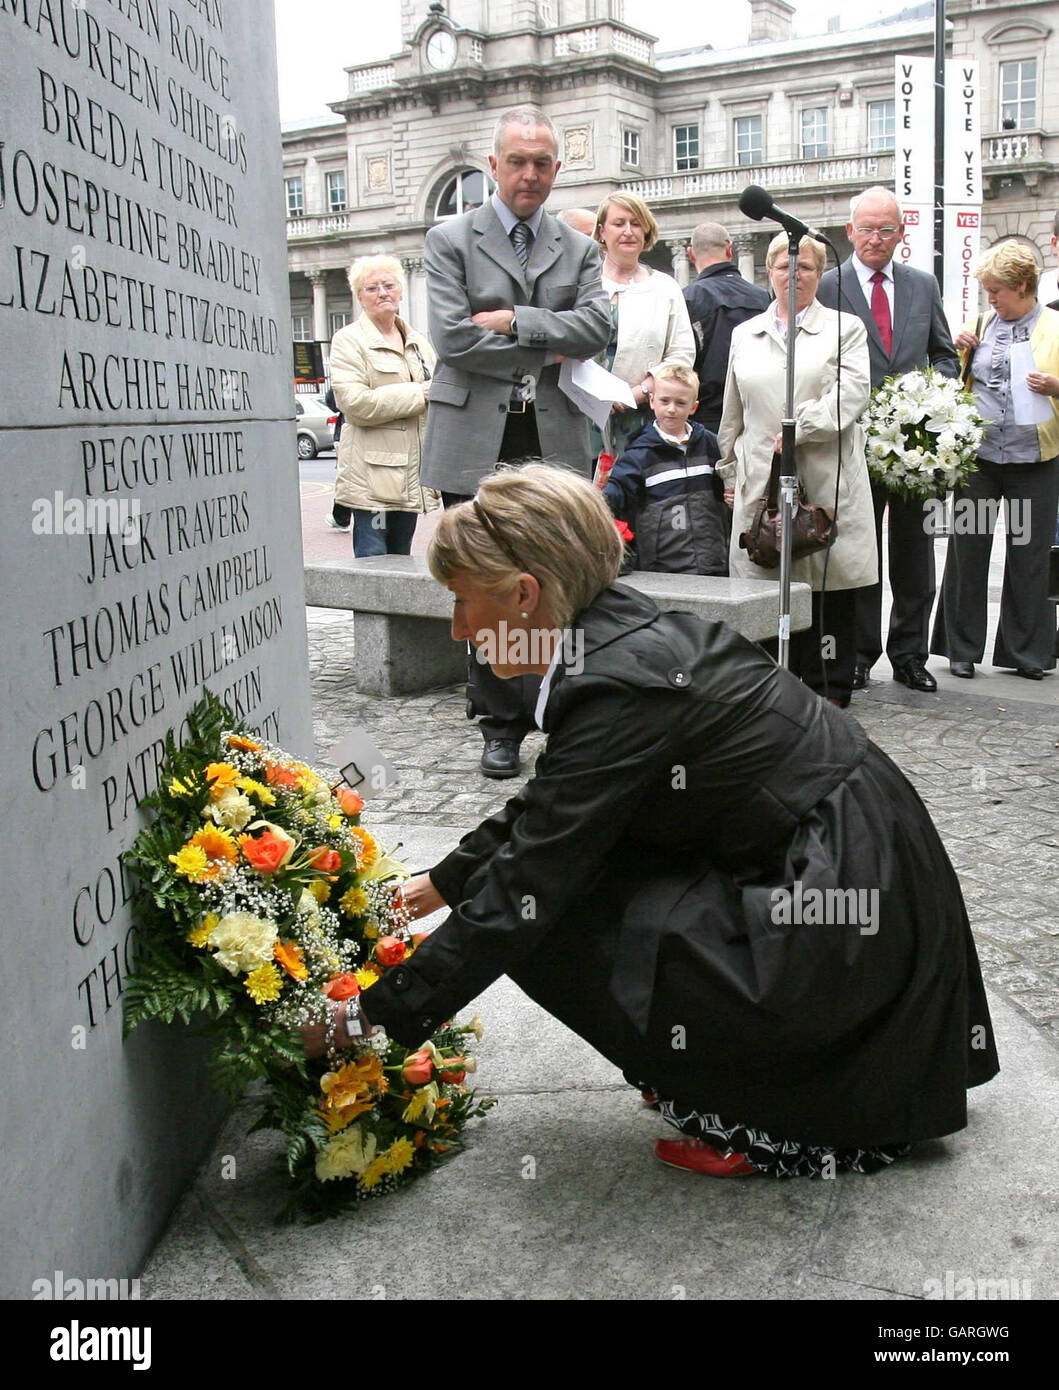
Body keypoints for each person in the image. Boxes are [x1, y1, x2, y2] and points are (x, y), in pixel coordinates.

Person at [308, 463, 998, 1179]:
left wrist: (366, 1021)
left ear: (523, 595)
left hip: (838, 914)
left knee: (545, 919)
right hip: (840, 858)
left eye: (459, 602)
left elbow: (526, 886)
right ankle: (701, 1061)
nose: (455, 627)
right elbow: (554, 805)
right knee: (566, 881)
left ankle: (758, 1117)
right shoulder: (614, 627)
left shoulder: (614, 684)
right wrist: (438, 885)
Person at [419, 104, 611, 780]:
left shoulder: (579, 246)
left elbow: (594, 329)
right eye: (517, 162)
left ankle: (561, 718)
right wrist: (545, 339)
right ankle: (499, 724)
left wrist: (513, 321)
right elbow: (453, 338)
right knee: (483, 584)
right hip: (474, 438)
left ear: (556, 170)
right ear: (493, 165)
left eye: (541, 163)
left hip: (551, 434)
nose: (528, 175)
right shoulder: (450, 241)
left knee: (558, 583)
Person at [717, 233, 877, 707]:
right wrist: (729, 471)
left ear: (820, 274)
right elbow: (732, 411)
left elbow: (851, 396)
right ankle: (769, 693)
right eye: (785, 266)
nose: (794, 275)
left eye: (806, 267)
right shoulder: (746, 333)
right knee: (764, 584)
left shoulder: (845, 329)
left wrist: (799, 427)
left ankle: (828, 694)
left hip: (825, 478)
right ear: (769, 272)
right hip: (759, 482)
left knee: (825, 585)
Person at [817, 186, 959, 695]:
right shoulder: (829, 284)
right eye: (868, 229)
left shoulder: (923, 285)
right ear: (850, 231)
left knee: (915, 554)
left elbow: (944, 354)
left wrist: (932, 395)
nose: (877, 239)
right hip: (853, 444)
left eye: (888, 229)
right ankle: (858, 655)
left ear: (901, 233)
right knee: (860, 552)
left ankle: (909, 655)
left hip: (916, 448)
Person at [929, 241, 1059, 680]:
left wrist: (1056, 387)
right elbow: (956, 375)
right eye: (987, 292)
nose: (991, 300)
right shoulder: (982, 323)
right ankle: (960, 648)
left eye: (997, 291)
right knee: (969, 550)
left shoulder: (1056, 327)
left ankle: (1026, 653)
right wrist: (960, 347)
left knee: (1029, 556)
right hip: (981, 460)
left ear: (1022, 286)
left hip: (1036, 460)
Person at [329, 255, 438, 557]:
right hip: (372, 482)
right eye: (371, 288)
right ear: (360, 297)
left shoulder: (418, 343)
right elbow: (355, 405)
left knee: (401, 559)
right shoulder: (348, 341)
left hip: (411, 476)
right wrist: (419, 394)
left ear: (401, 290)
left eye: (389, 285)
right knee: (372, 561)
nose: (382, 293)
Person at [591, 191, 695, 457]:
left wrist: (639, 391)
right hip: (584, 414)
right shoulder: (584, 282)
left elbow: (681, 354)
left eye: (636, 224)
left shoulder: (665, 287)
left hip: (644, 416)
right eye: (619, 223)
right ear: (602, 231)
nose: (628, 231)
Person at [602, 363, 727, 575]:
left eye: (680, 403)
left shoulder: (710, 445)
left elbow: (728, 480)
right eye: (664, 401)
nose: (671, 409)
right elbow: (612, 497)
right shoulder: (639, 454)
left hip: (712, 562)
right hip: (661, 567)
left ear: (694, 407)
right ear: (652, 401)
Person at [682, 221, 770, 433]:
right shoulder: (763, 297)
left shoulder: (687, 298)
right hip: (756, 415)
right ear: (730, 249)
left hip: (706, 418)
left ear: (691, 254)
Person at [323, 386, 350, 530]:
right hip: (347, 434)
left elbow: (333, 402)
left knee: (345, 477)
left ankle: (342, 518)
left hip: (346, 435)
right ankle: (342, 517)